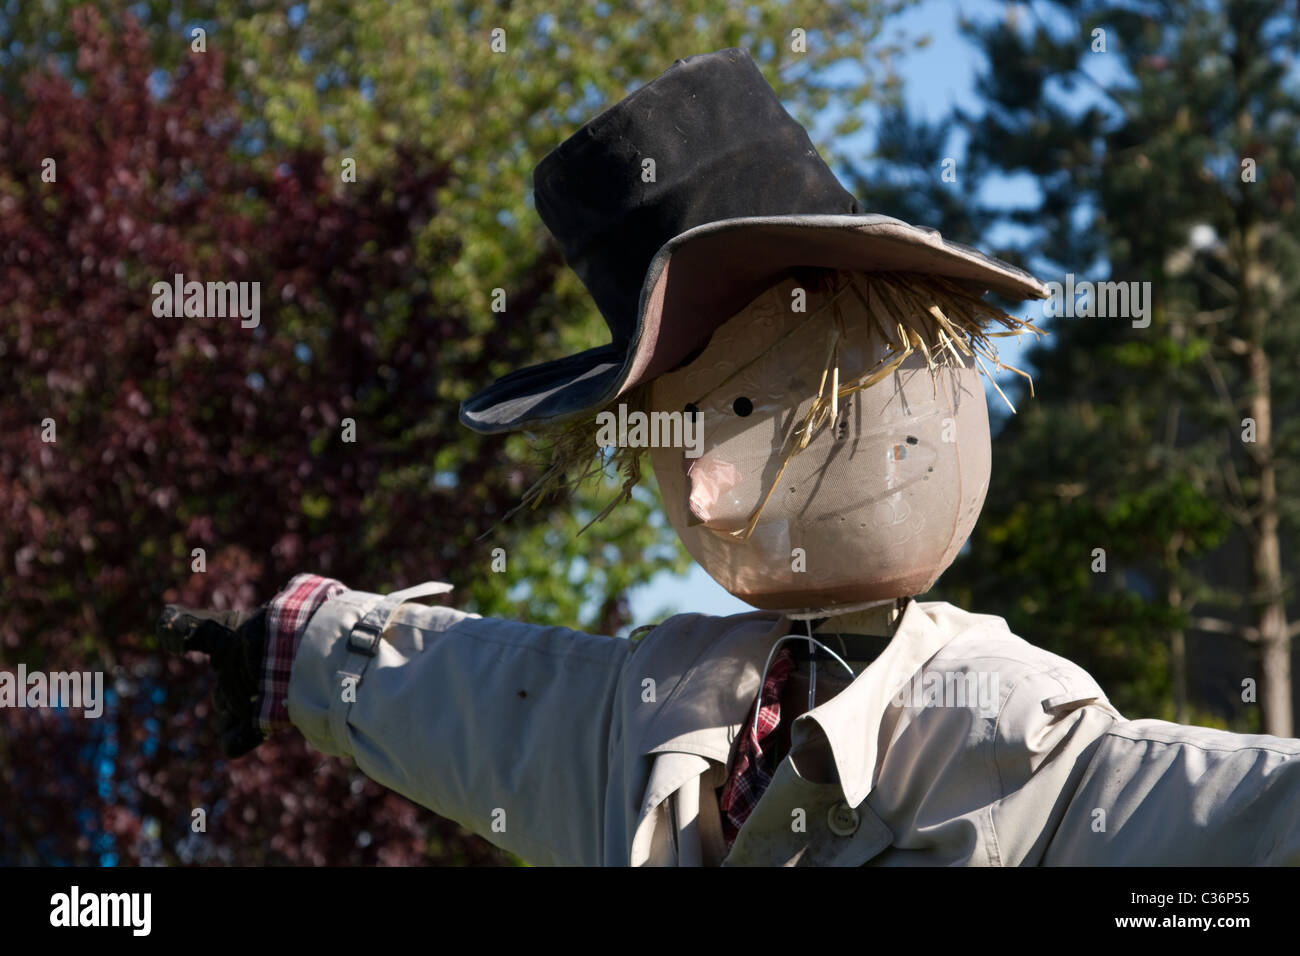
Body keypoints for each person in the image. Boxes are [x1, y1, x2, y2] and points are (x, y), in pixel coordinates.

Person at [158, 49, 1300, 866]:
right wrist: (306, 647)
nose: (702, 481)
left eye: (747, 408)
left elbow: (1216, 807)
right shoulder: (659, 706)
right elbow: (494, 707)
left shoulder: (1014, 735)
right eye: (676, 428)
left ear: (898, 365)